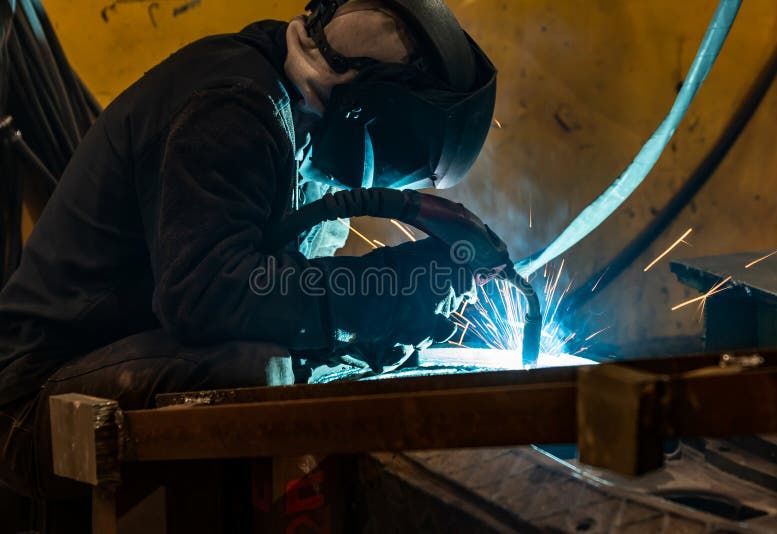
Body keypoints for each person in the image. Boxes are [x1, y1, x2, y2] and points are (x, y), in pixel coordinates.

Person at [0, 0, 496, 527]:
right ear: (368, 108)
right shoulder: (231, 109)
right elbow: (208, 294)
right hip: (29, 404)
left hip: (122, 355)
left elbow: (281, 291)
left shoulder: (300, 117)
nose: (387, 183)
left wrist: (371, 325)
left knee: (318, 358)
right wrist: (387, 296)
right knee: (256, 367)